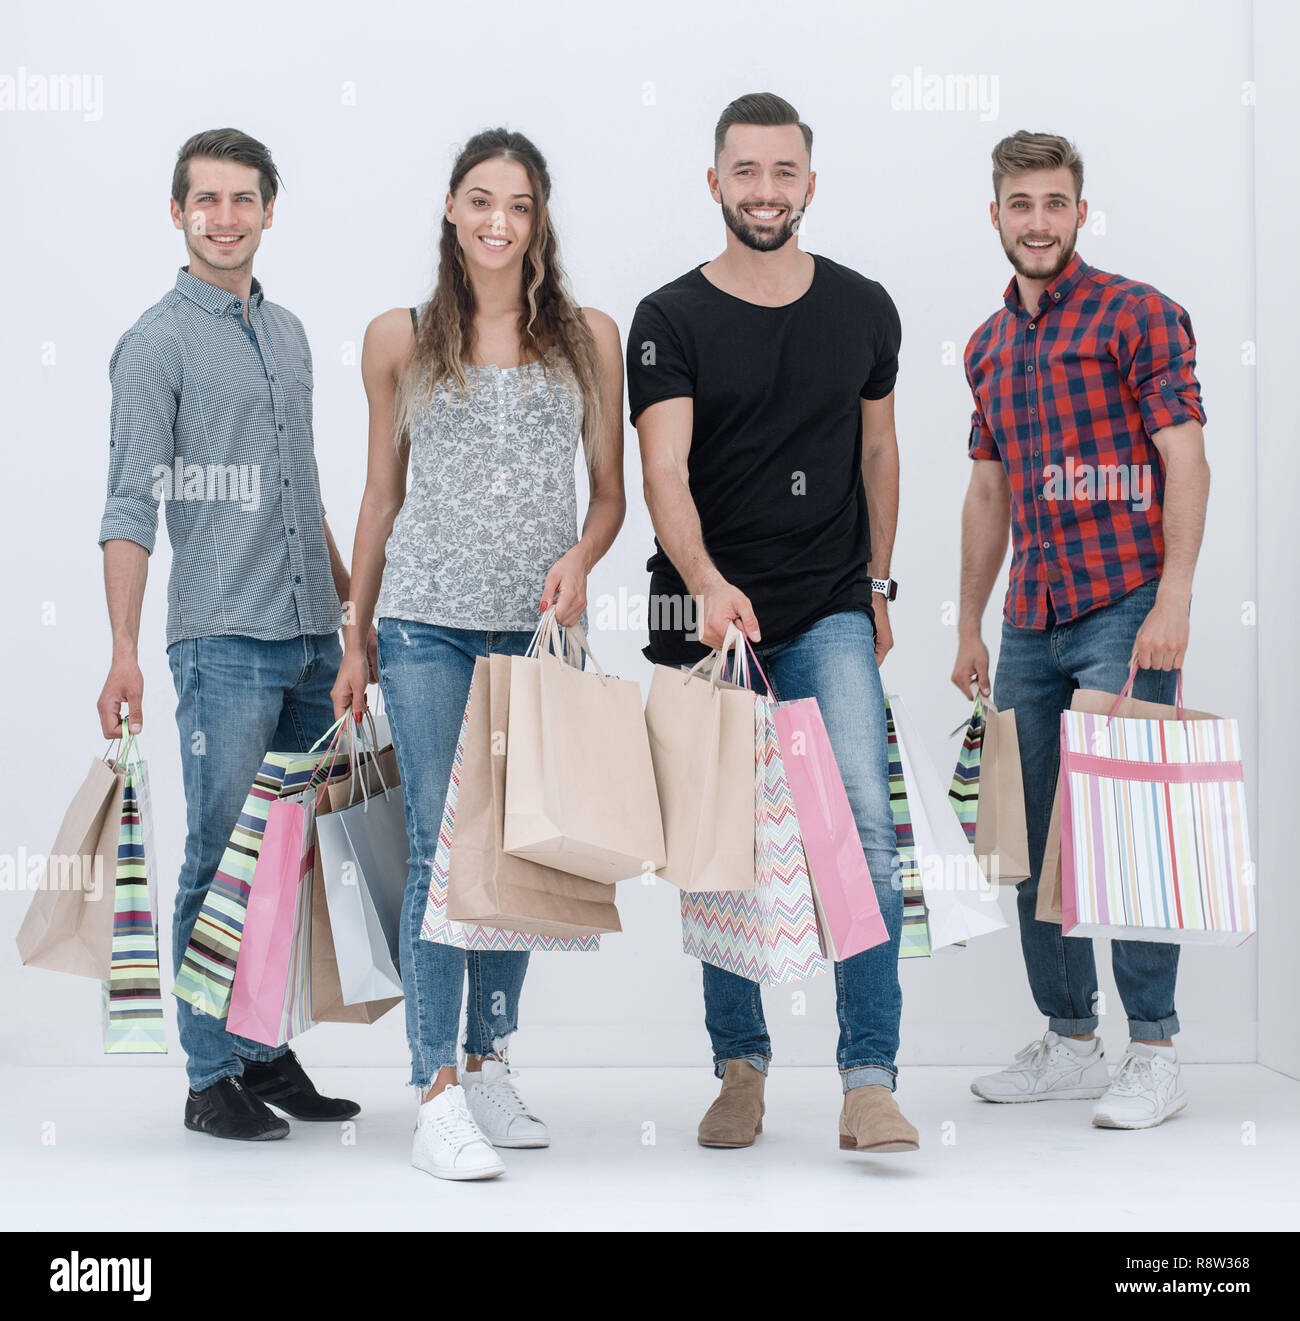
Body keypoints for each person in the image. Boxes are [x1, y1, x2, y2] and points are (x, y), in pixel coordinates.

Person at [331, 128, 626, 1181]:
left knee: (516, 848)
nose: (499, 221)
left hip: (537, 627)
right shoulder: (399, 339)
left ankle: (489, 1057)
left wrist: (583, 559)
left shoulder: (587, 336)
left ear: (538, 219)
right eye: (480, 200)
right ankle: (435, 1090)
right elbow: (379, 496)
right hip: (423, 623)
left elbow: (608, 497)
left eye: (518, 204)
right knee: (440, 843)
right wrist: (355, 633)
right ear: (451, 211)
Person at [628, 92, 917, 1154]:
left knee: (861, 828)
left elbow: (879, 452)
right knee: (720, 845)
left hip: (828, 605)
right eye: (743, 172)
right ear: (715, 183)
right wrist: (703, 583)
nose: (763, 191)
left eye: (781, 171)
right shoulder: (669, 318)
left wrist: (880, 586)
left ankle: (869, 1077)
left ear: (808, 181)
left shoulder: (863, 308)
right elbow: (662, 469)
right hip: (702, 621)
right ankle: (739, 1067)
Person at [96, 128, 363, 1141]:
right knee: (218, 859)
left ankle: (261, 1045)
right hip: (222, 642)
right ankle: (209, 1075)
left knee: (289, 856)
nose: (224, 217)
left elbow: (308, 491)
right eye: (205, 200)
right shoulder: (155, 342)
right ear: (177, 212)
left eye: (242, 199)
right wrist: (123, 650)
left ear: (267, 210)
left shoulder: (289, 332)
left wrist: (353, 618)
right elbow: (128, 506)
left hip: (309, 639)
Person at [953, 131, 1210, 1130]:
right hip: (1029, 622)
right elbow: (987, 491)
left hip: (1125, 610)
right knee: (1023, 838)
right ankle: (1069, 1039)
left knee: (1132, 831)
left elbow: (1183, 458)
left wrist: (1175, 597)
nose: (1038, 221)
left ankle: (1154, 1051)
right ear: (996, 215)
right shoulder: (985, 345)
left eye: (1055, 203)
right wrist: (970, 623)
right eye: (1021, 203)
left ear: (1079, 213)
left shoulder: (1137, 314)